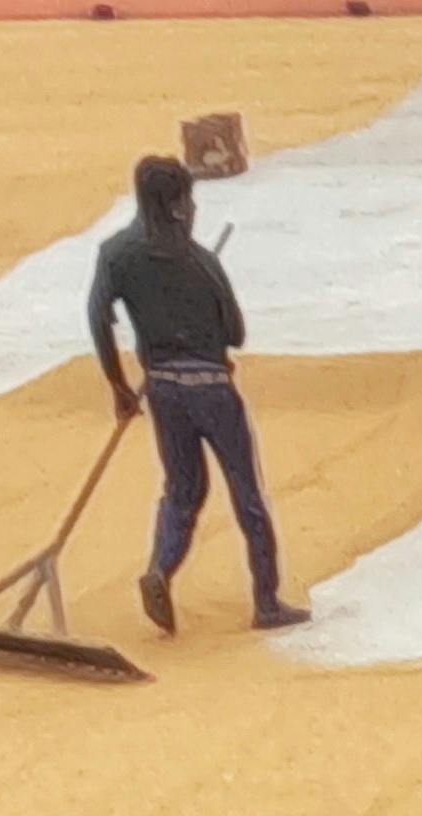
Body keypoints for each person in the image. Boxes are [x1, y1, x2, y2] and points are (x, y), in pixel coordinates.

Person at [88, 153, 301, 637]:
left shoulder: (116, 253)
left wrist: (119, 386)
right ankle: (267, 602)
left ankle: (160, 569)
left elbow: (98, 318)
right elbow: (236, 333)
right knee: (246, 493)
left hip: (163, 388)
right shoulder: (202, 262)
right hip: (212, 389)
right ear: (179, 205)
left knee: (182, 492)